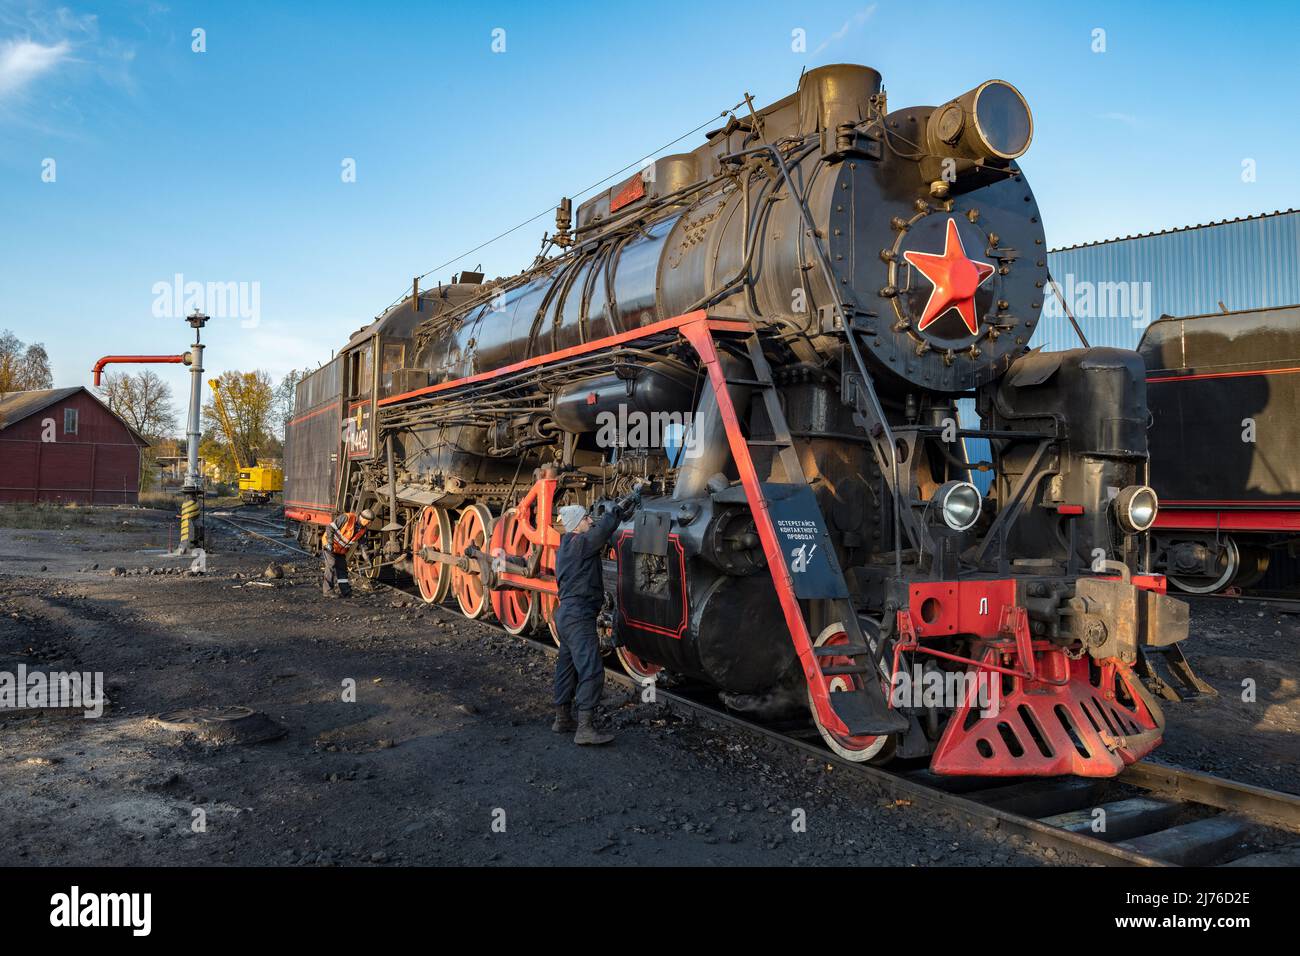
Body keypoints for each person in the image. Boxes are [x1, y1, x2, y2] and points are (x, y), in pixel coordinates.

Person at [552, 486, 640, 745]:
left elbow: (599, 532)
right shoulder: (581, 543)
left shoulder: (567, 545)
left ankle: (562, 718)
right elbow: (602, 531)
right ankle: (585, 728)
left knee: (566, 669)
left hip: (566, 614)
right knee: (591, 669)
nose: (590, 520)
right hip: (578, 616)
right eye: (586, 518)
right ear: (576, 524)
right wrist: (614, 511)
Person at [321, 508, 377, 597]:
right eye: (369, 522)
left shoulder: (363, 530)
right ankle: (327, 591)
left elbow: (363, 547)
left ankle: (346, 592)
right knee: (331, 564)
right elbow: (330, 527)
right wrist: (330, 543)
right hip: (329, 545)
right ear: (363, 519)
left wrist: (368, 561)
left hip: (340, 550)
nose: (370, 524)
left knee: (342, 568)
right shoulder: (347, 518)